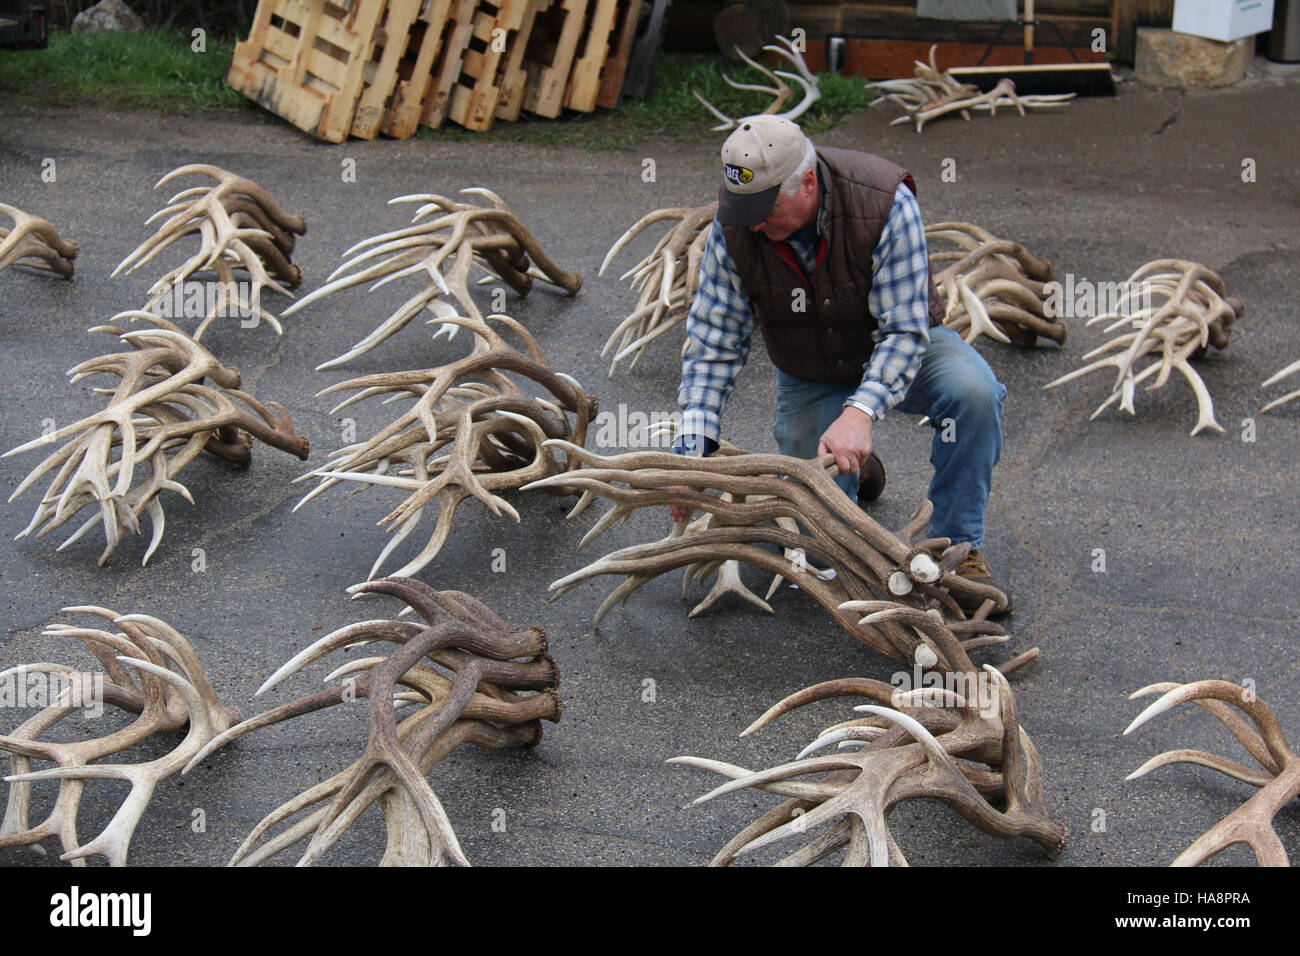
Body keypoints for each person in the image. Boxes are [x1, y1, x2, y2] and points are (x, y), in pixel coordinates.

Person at [670, 115, 1011, 614]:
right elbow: (712, 342)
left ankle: (955, 551)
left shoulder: (883, 201)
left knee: (974, 393)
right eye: (744, 208)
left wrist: (861, 412)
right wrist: (692, 451)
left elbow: (903, 331)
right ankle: (856, 469)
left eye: (766, 208)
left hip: (898, 345)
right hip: (813, 366)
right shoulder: (738, 224)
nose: (754, 222)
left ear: (807, 182)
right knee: (824, 551)